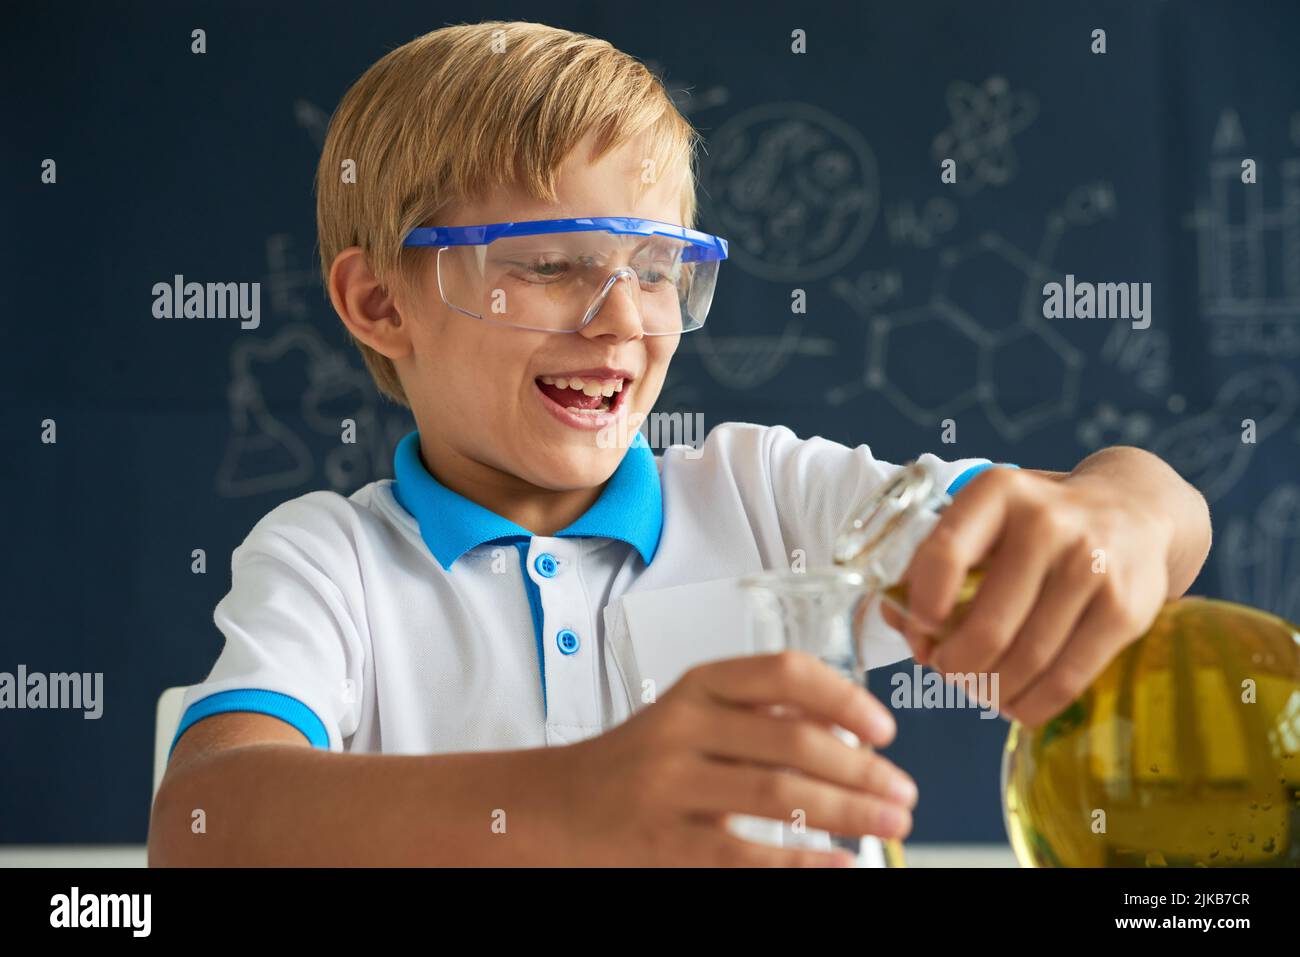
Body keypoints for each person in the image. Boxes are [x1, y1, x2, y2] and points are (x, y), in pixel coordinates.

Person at [147, 20, 1211, 866]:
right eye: (554, 263)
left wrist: (1121, 513)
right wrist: (575, 803)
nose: (622, 322)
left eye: (656, 269)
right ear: (381, 304)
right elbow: (202, 825)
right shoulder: (331, 563)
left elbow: (1151, 518)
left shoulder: (771, 499)